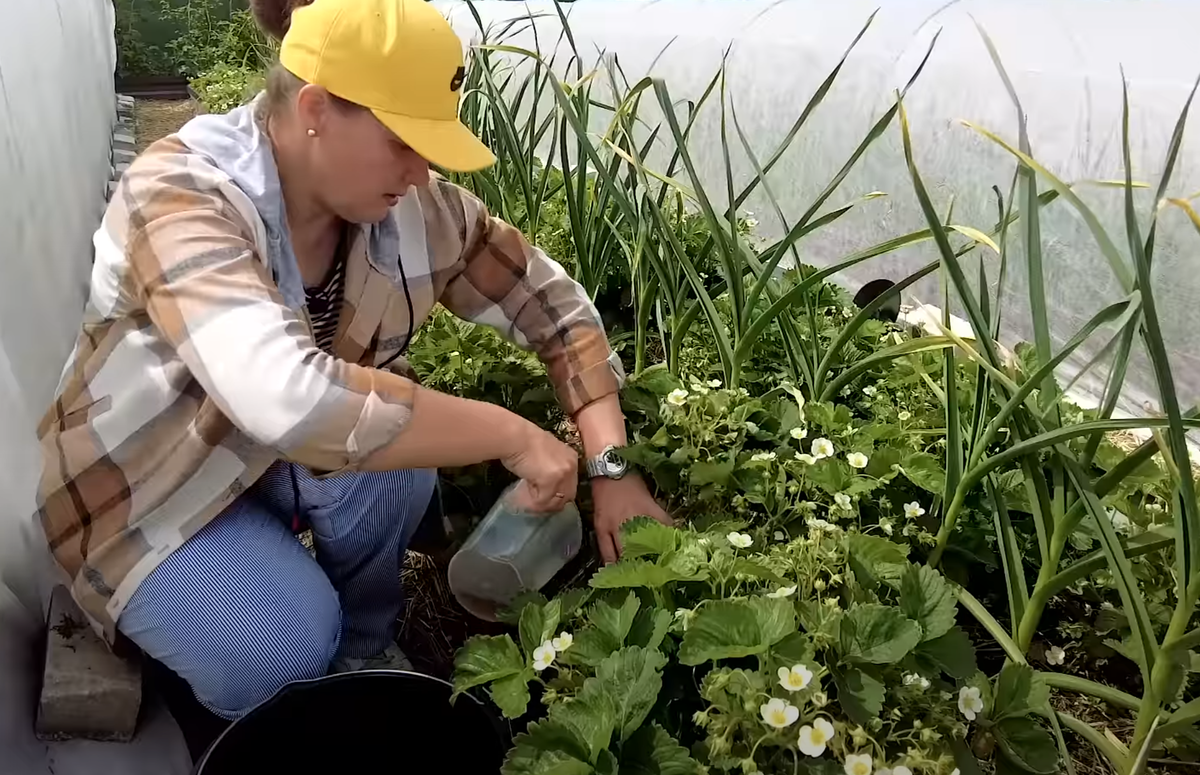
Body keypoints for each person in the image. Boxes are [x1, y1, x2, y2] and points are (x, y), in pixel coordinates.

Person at [35, 0, 671, 721]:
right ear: (315, 108)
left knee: (400, 459)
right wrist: (513, 433)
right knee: (281, 651)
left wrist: (609, 465)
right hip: (153, 485)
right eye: (403, 140)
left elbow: (551, 305)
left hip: (272, 462)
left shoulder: (412, 210)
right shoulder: (185, 194)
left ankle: (363, 646)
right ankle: (227, 625)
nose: (420, 170)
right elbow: (283, 398)